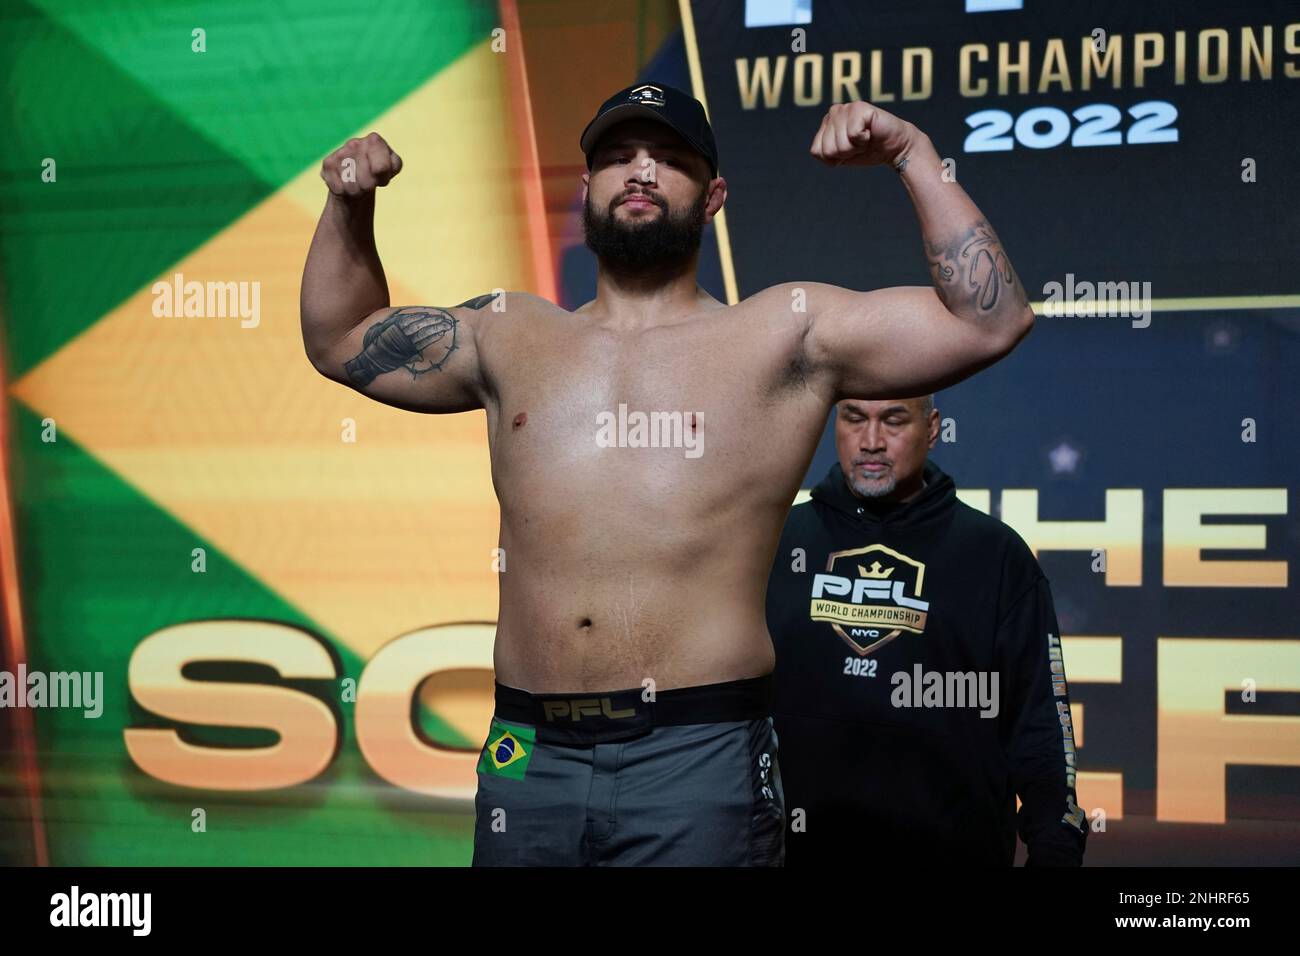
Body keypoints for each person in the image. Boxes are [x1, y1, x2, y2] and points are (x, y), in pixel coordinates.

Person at [299, 81, 1037, 866]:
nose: (641, 172)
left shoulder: (784, 333)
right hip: (526, 754)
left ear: (713, 194)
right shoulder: (510, 334)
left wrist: (911, 154)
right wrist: (350, 205)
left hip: (696, 754)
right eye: (617, 158)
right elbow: (340, 338)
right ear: (586, 188)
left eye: (670, 160)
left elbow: (991, 320)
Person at [766, 395, 1088, 866]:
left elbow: (1039, 723)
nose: (871, 441)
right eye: (854, 418)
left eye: (893, 420)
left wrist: (1055, 848)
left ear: (933, 428)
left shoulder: (995, 557)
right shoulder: (775, 543)